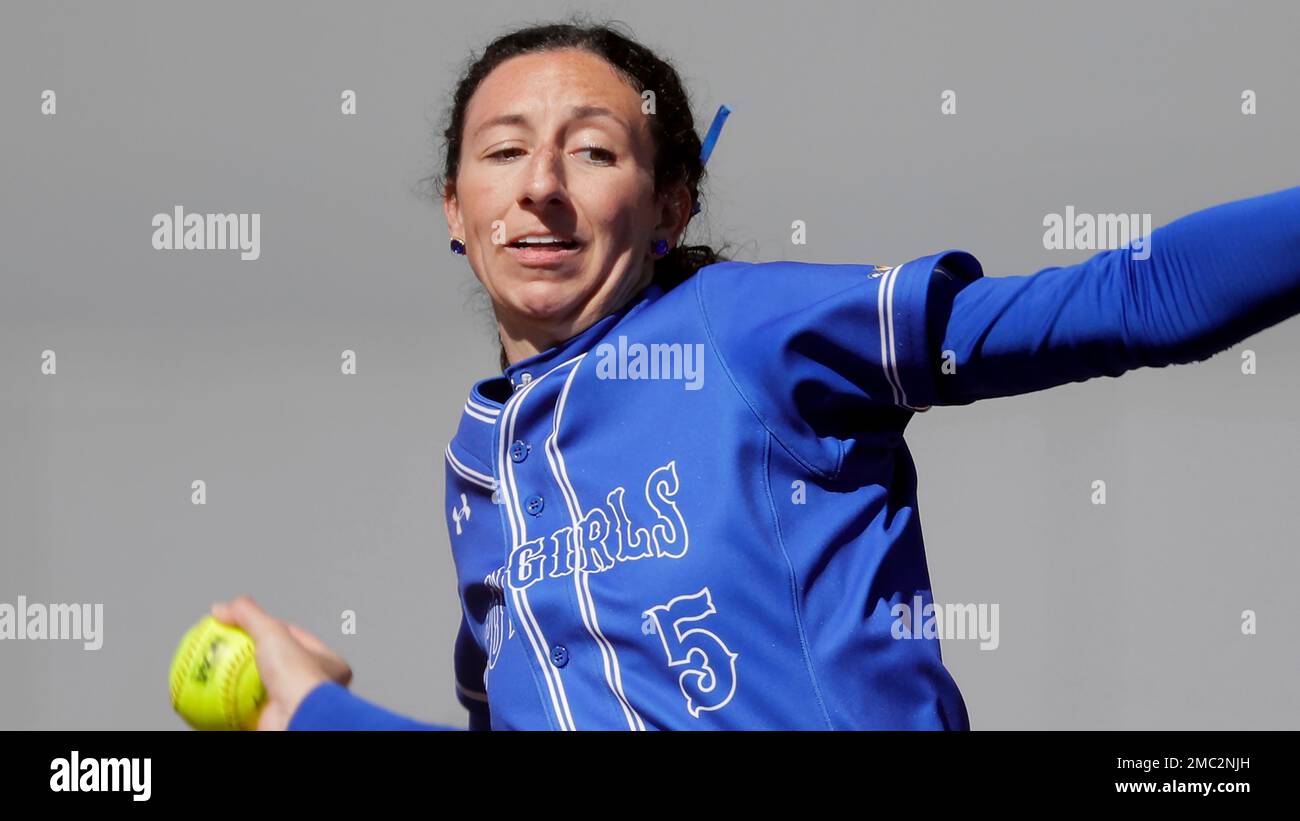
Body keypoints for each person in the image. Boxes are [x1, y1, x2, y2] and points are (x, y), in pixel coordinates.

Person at [211, 19, 1300, 731]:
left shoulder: (744, 331)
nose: (539, 185)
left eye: (593, 150)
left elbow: (1124, 302)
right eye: (501, 152)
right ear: (455, 209)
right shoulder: (478, 477)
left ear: (672, 203)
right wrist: (313, 713)